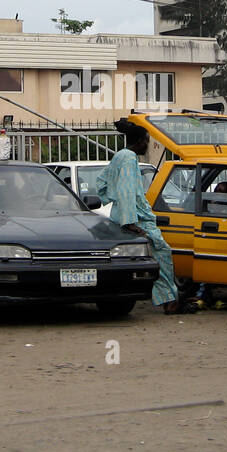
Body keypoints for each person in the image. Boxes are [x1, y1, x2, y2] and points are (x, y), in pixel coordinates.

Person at [98, 119, 180, 313]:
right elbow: (126, 190)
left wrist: (111, 200)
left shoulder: (120, 156)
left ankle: (166, 298)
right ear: (141, 141)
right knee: (162, 253)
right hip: (136, 219)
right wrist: (131, 222)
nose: (148, 145)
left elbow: (101, 181)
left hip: (122, 214)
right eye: (147, 141)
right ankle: (169, 301)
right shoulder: (128, 159)